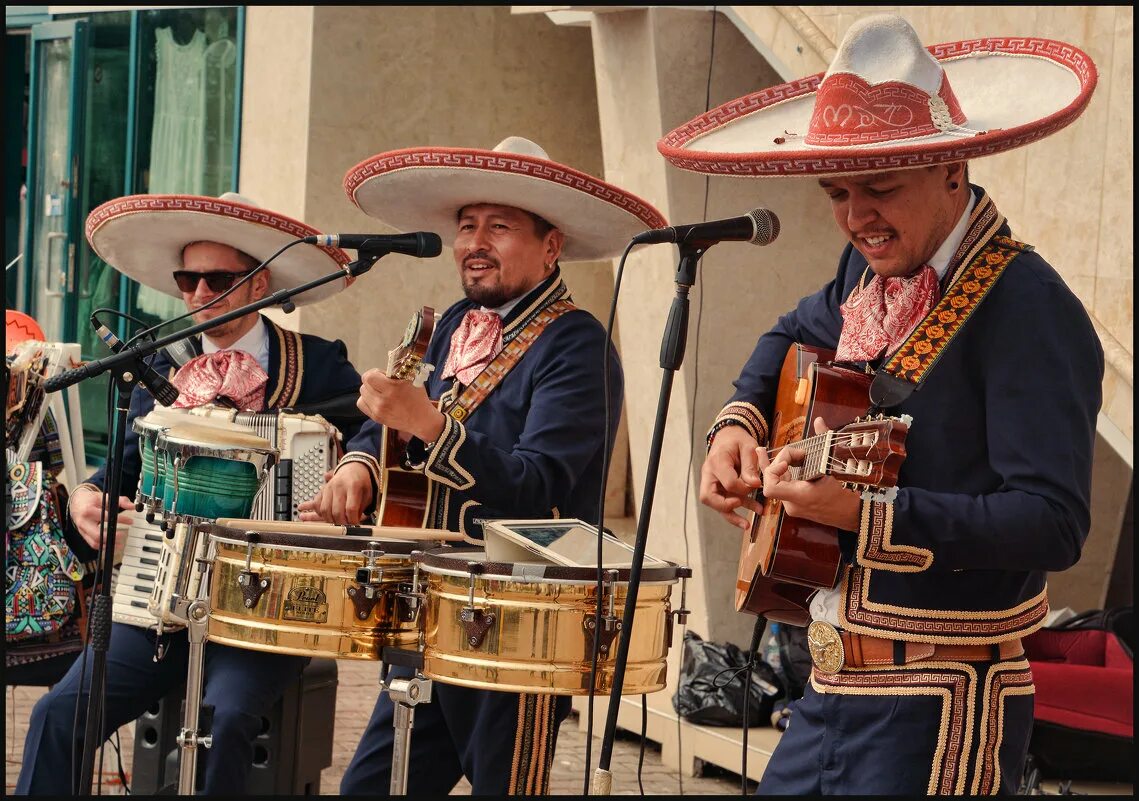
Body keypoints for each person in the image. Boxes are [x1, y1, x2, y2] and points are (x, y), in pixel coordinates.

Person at [665, 14, 1104, 795]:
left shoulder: (1028, 308)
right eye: (837, 191)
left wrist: (864, 514)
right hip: (827, 690)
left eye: (879, 187)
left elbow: (1052, 521)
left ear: (950, 168)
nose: (854, 216)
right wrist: (737, 419)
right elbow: (790, 331)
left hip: (942, 704)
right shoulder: (863, 273)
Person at [299, 136, 666, 794]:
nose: (474, 242)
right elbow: (390, 416)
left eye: (499, 227)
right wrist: (359, 464)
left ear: (551, 246)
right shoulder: (447, 325)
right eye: (467, 225)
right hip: (428, 607)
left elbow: (537, 485)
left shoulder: (577, 344)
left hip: (519, 623)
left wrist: (430, 426)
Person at [17, 192, 365, 795]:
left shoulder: (316, 363)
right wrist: (86, 497)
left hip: (265, 608)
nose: (201, 292)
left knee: (222, 721)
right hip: (159, 598)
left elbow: (375, 427)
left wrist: (355, 468)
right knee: (57, 715)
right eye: (188, 279)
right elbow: (123, 467)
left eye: (220, 279)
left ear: (260, 284)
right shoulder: (158, 363)